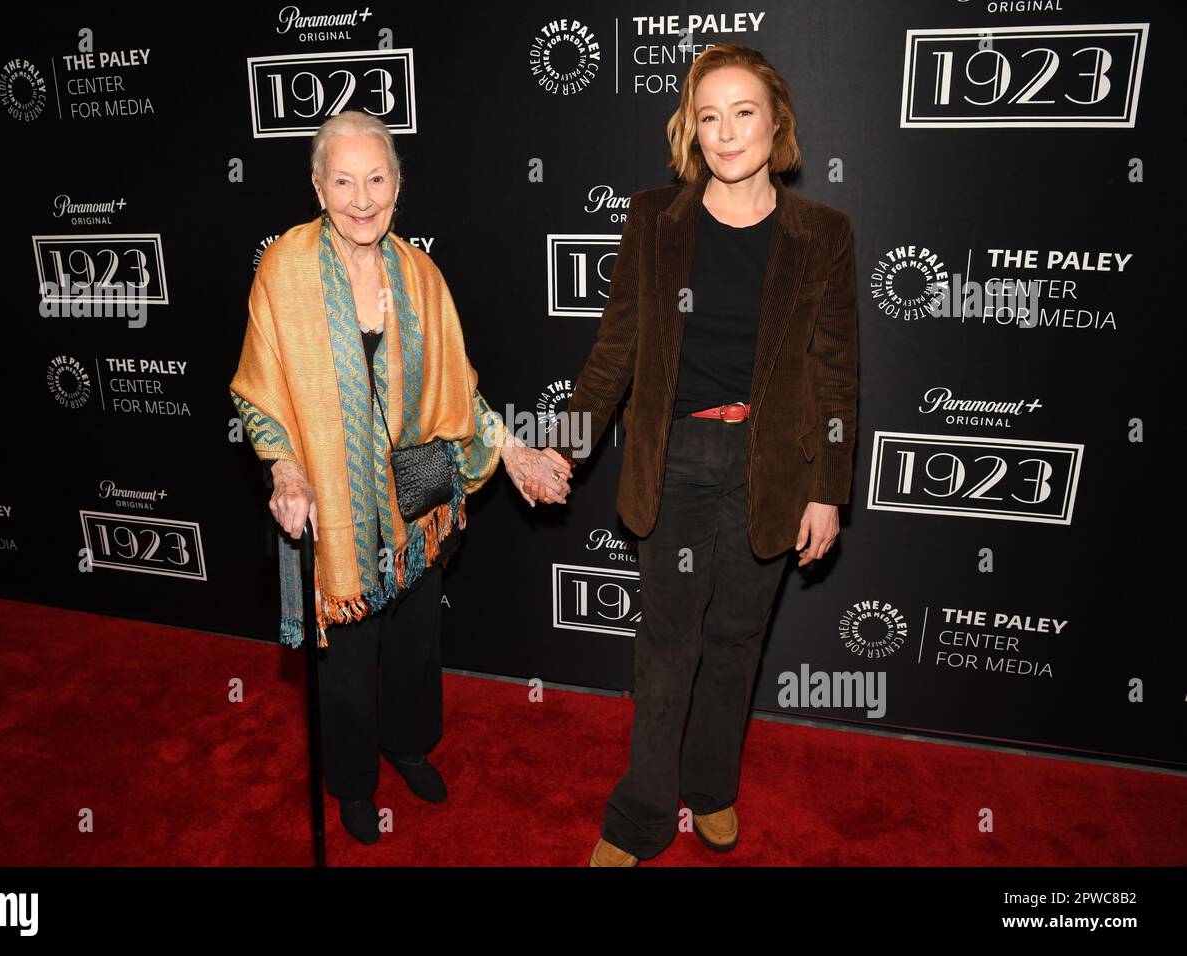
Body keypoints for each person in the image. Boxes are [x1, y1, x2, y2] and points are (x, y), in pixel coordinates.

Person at [543, 45, 860, 865]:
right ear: (691, 128)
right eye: (709, 116)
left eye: (743, 112)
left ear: (776, 122)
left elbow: (834, 373)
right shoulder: (655, 219)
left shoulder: (821, 235)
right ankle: (642, 816)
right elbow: (615, 352)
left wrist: (827, 490)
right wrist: (566, 449)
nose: (726, 133)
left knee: (736, 643)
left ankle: (713, 787)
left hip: (770, 468)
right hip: (678, 461)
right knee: (668, 647)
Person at [229, 111, 571, 846]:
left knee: (416, 640)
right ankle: (353, 783)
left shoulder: (419, 274)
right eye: (343, 181)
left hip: (415, 505)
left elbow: (459, 395)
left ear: (398, 185)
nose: (361, 198)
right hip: (335, 512)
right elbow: (257, 392)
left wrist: (514, 454)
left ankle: (408, 745)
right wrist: (284, 468)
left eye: (376, 179)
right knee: (346, 661)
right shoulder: (284, 269)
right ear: (318, 188)